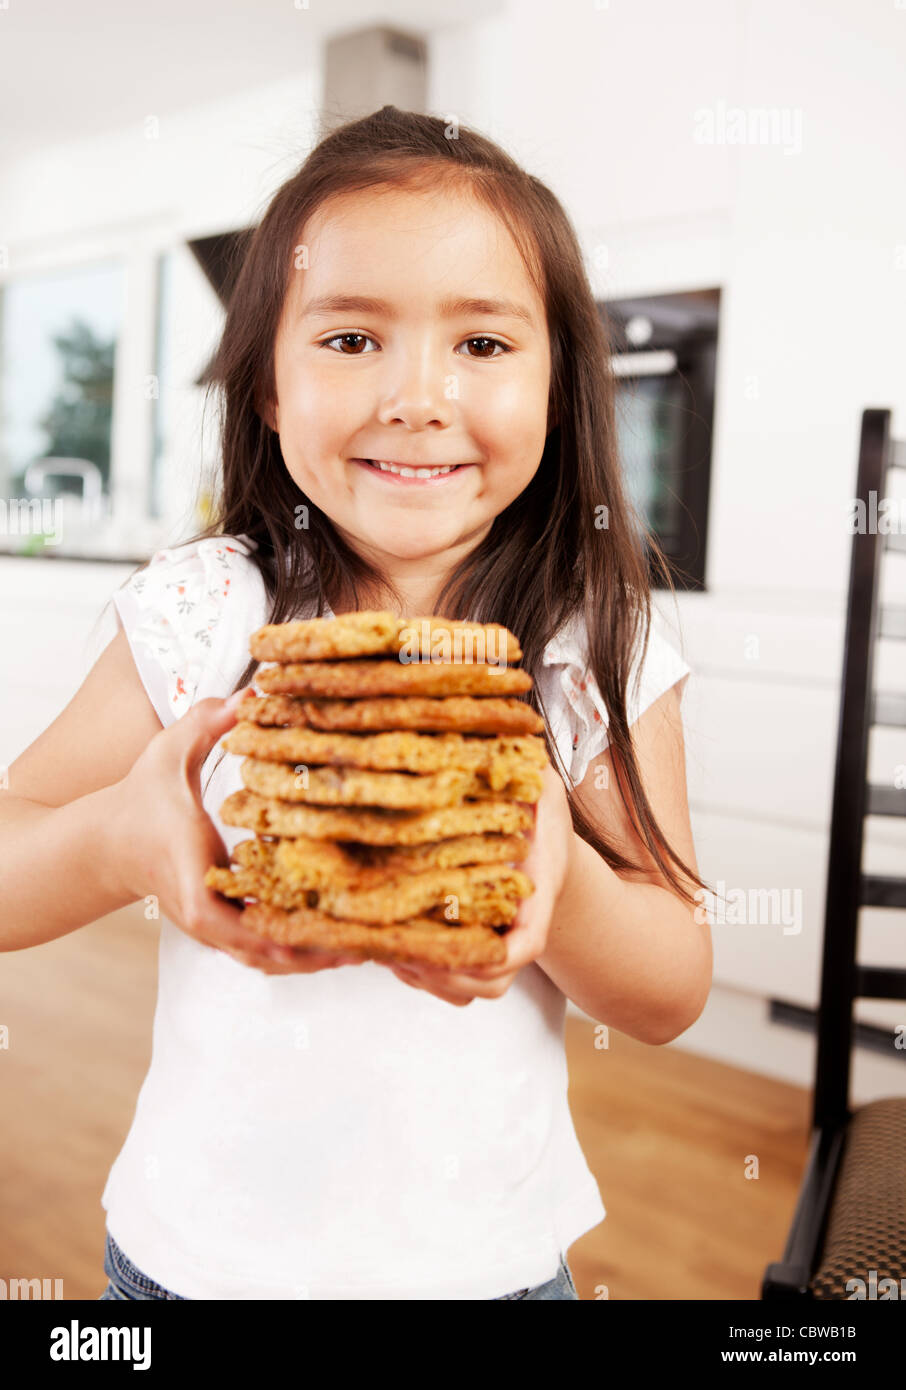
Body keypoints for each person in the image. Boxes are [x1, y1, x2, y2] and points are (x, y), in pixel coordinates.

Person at [2, 105, 713, 1301]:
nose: (417, 397)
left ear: (558, 384)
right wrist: (119, 839)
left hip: (489, 1270)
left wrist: (563, 874)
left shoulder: (595, 641)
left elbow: (670, 986)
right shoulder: (203, 613)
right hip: (190, 1264)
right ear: (269, 390)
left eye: (483, 345)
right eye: (349, 340)